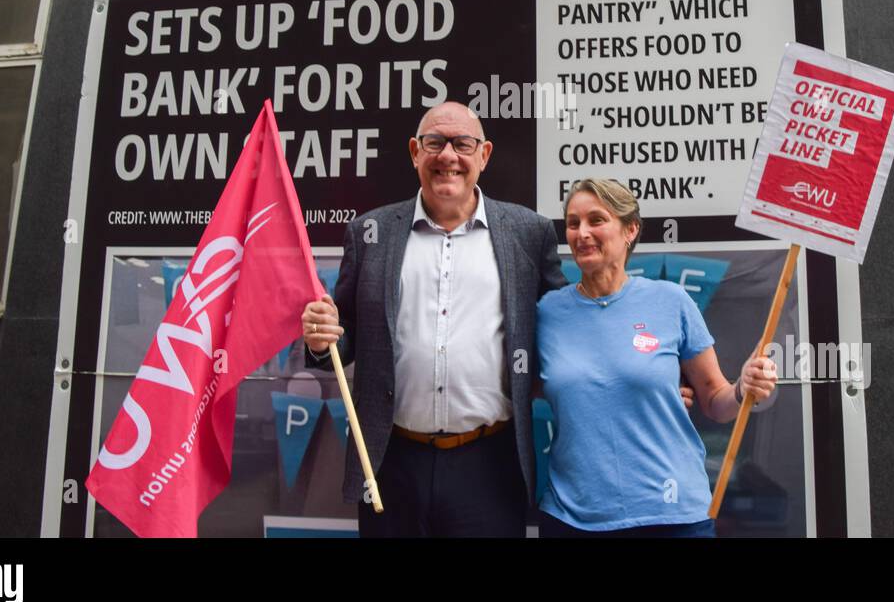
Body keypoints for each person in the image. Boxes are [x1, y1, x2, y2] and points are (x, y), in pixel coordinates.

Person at [300, 101, 566, 537]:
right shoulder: (371, 233)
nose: (448, 156)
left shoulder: (528, 231)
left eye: (463, 143)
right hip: (391, 461)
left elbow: (564, 323)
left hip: (490, 464)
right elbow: (344, 335)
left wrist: (636, 374)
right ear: (414, 152)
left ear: (484, 155)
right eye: (434, 143)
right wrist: (319, 338)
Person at [536, 178, 778, 537]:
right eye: (573, 223)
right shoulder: (547, 312)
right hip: (574, 517)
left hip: (671, 514)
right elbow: (526, 391)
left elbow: (716, 401)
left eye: (596, 220)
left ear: (630, 229)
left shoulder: (671, 301)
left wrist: (743, 387)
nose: (582, 233)